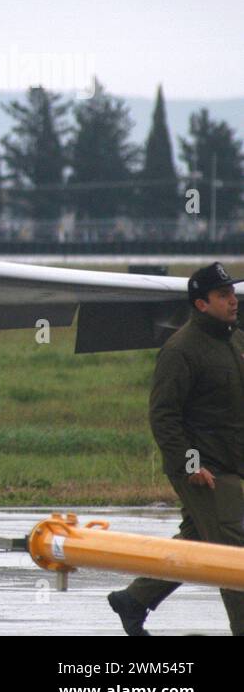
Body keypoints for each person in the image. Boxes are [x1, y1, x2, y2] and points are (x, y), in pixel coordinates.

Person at [109, 262, 244, 635]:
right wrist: (191, 465)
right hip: (208, 471)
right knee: (233, 556)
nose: (233, 301)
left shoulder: (234, 339)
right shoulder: (180, 350)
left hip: (232, 463)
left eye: (232, 293)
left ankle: (133, 600)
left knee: (198, 542)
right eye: (223, 296)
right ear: (201, 304)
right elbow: (164, 417)